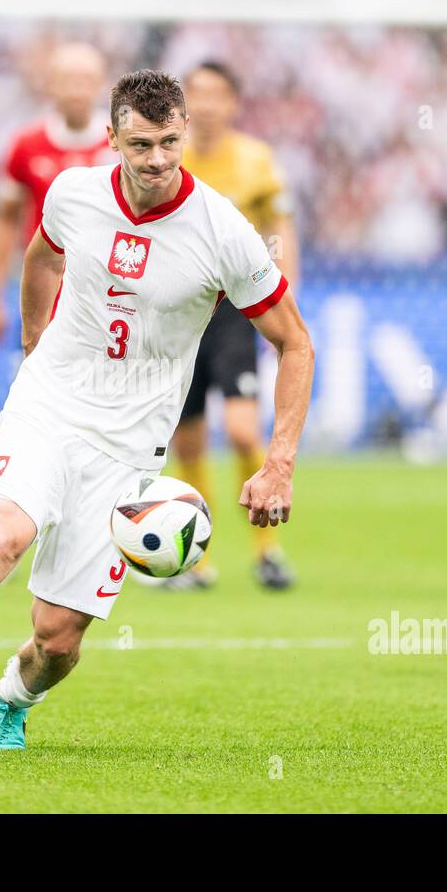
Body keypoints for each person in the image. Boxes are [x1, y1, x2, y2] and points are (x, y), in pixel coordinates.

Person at [0, 70, 315, 751]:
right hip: (48, 405)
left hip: (128, 448)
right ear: (111, 138)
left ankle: (11, 698)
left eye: (168, 141)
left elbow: (295, 342)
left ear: (184, 131)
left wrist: (278, 464)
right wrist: (33, 342)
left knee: (57, 639)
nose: (156, 159)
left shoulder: (224, 232)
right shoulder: (73, 193)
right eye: (139, 144)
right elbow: (42, 256)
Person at [168, 61, 300, 591]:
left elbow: (280, 225)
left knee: (243, 428)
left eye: (216, 94)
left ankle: (268, 547)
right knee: (190, 444)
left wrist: (287, 289)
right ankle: (197, 560)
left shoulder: (255, 160)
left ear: (233, 102)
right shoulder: (167, 155)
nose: (205, 104)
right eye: (195, 93)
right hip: (178, 311)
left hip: (234, 309)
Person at [0, 42, 114, 346]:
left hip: (109, 295)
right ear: (51, 86)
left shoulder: (124, 145)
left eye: (86, 81)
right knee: (37, 385)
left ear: (100, 85)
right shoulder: (26, 146)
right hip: (45, 290)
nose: (77, 91)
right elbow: (5, 220)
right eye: (68, 81)